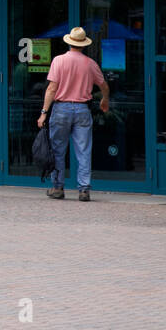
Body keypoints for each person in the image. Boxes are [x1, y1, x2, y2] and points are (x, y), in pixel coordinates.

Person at [37, 26, 109, 201]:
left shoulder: (58, 61)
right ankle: (84, 190)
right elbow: (104, 85)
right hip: (83, 109)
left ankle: (57, 187)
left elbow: (52, 88)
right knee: (84, 151)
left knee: (58, 150)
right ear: (83, 45)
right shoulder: (90, 63)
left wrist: (44, 112)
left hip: (61, 109)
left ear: (69, 42)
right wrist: (104, 99)